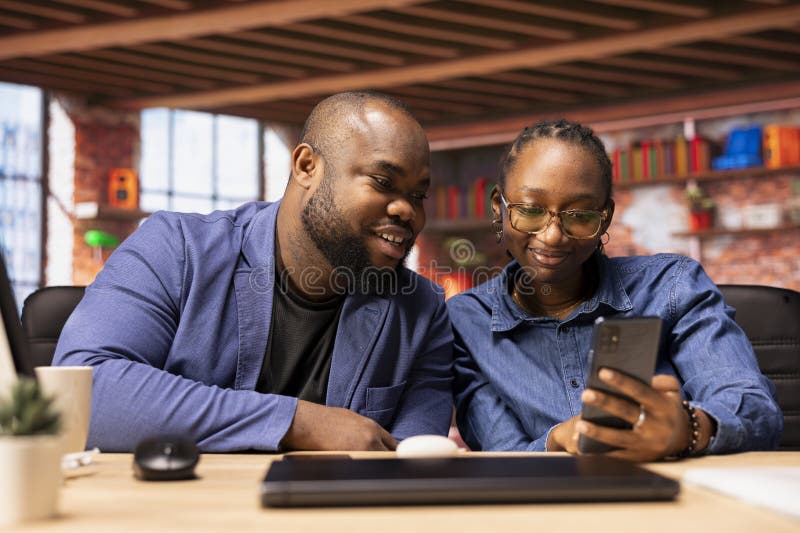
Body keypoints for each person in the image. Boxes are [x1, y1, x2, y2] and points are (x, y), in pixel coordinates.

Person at [54, 91, 453, 452]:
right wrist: (294, 423)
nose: (407, 211)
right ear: (307, 166)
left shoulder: (421, 311)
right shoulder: (176, 250)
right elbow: (83, 394)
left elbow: (413, 460)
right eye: (383, 182)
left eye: (418, 195)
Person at [449, 119, 782, 461]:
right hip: (548, 496)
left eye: (580, 216)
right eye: (531, 211)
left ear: (605, 218)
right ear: (498, 206)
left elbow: (757, 411)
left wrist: (689, 428)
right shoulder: (466, 321)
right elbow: (502, 455)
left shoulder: (671, 286)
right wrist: (556, 441)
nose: (552, 236)